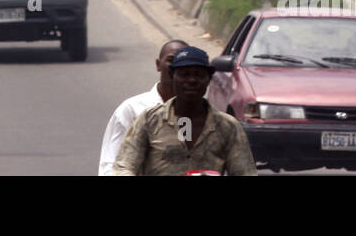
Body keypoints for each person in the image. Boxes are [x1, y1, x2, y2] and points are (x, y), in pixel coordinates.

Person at [112, 46, 256, 176]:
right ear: (172, 76)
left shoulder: (228, 126)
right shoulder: (150, 120)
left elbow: (245, 172)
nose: (192, 80)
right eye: (184, 74)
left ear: (208, 79)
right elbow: (124, 166)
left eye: (199, 75)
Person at [98, 39, 187, 175]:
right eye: (171, 60)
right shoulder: (131, 109)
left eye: (183, 63)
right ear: (158, 65)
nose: (176, 67)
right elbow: (111, 163)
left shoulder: (201, 114)